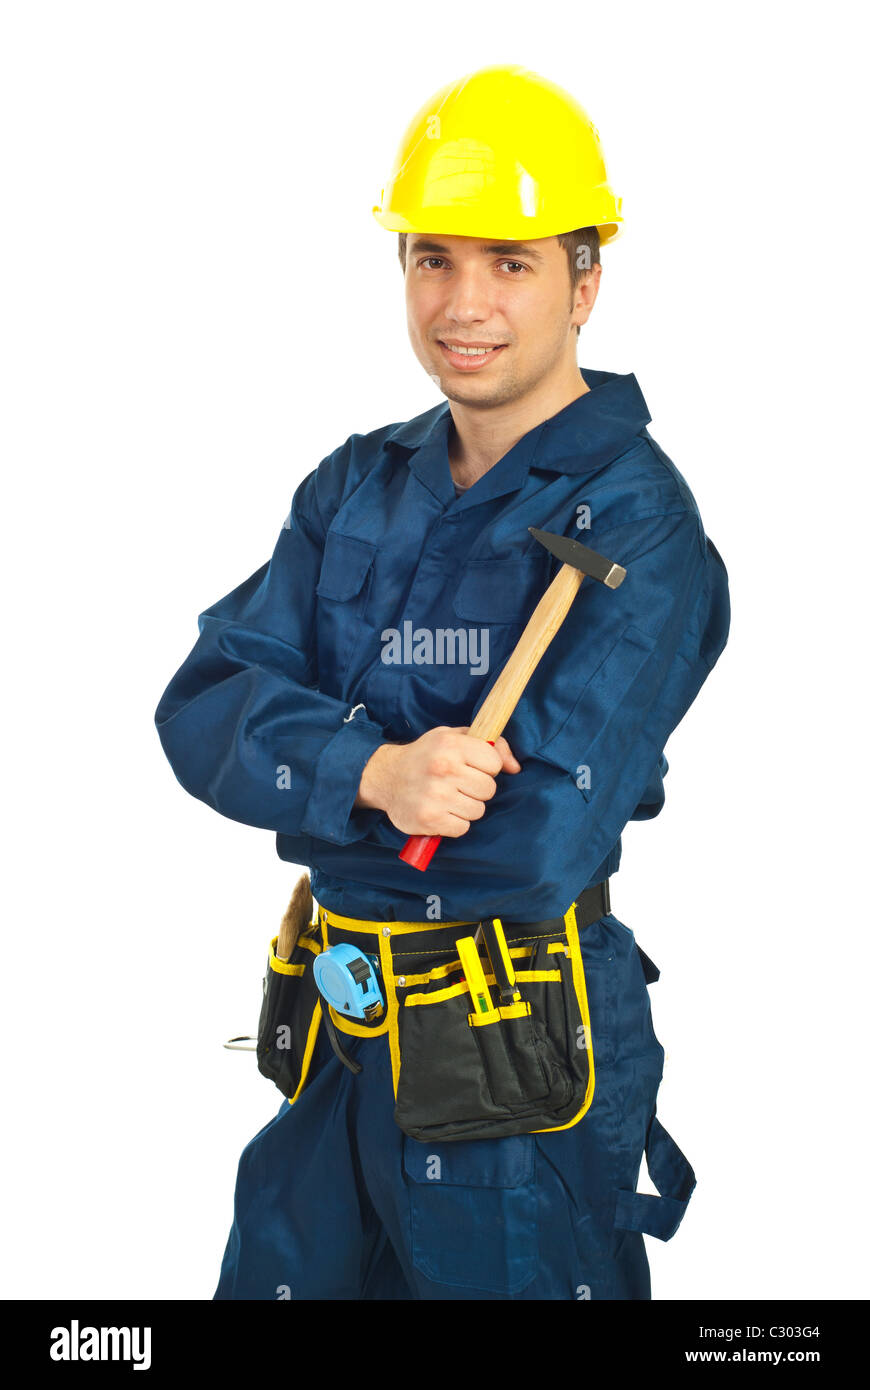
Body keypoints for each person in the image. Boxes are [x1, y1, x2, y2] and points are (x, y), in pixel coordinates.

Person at [155, 64, 730, 1301]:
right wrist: (381, 772)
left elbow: (533, 842)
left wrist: (309, 775)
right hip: (335, 1052)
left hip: (510, 1073)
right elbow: (203, 703)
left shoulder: (637, 520)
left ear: (587, 281)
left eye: (511, 262)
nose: (463, 304)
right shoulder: (354, 484)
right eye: (433, 258)